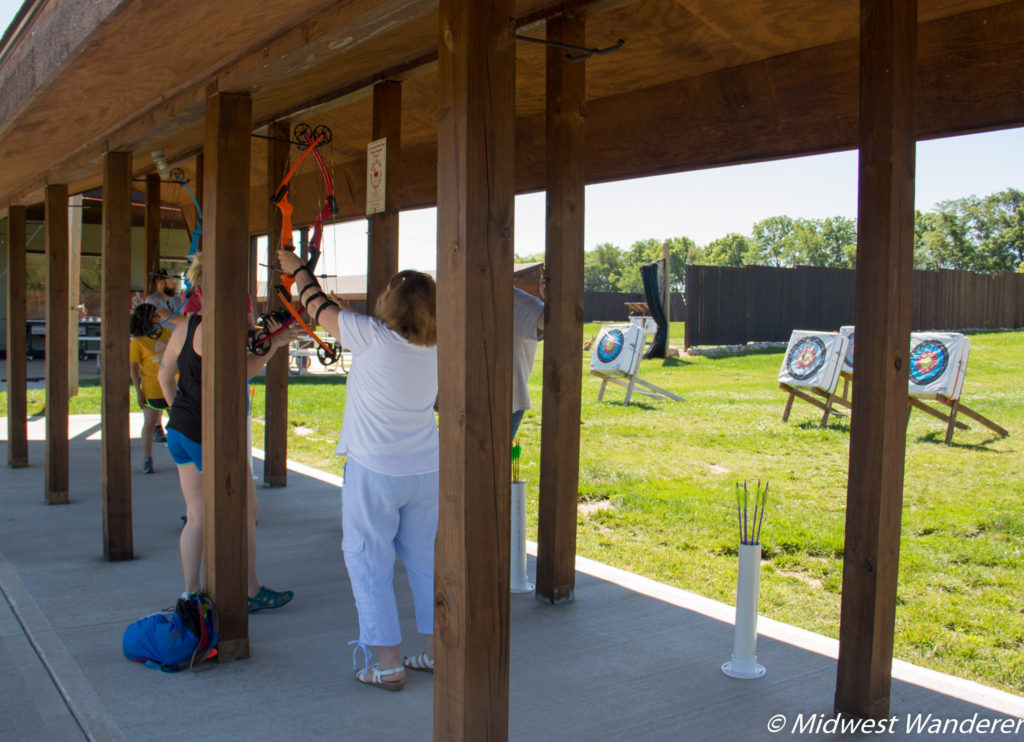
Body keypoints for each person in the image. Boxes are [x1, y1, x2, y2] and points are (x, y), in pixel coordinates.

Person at [278, 247, 438, 693]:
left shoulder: (369, 335)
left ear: (391, 302)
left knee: (368, 559)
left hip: (375, 470)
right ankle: (434, 650)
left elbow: (314, 303)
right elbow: (340, 319)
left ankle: (387, 664)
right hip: (426, 470)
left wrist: (296, 269)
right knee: (427, 561)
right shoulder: (435, 347)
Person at [157, 253, 295, 612]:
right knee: (246, 509)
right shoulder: (216, 329)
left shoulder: (186, 325)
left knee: (197, 514)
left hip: (180, 432)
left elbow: (162, 375)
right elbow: (242, 371)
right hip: (209, 433)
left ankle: (190, 595)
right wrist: (275, 347)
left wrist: (180, 412)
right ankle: (249, 590)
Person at [129, 303, 171, 474]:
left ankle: (185, 457)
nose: (159, 318)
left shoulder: (167, 334)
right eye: (155, 316)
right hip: (152, 389)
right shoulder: (138, 342)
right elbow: (133, 368)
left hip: (170, 387)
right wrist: (139, 392)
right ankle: (147, 458)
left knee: (179, 423)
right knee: (149, 424)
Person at [511, 278, 545, 438]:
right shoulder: (463, 297)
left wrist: (554, 296)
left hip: (507, 404)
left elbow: (548, 322)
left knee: (490, 463)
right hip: (463, 402)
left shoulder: (517, 301)